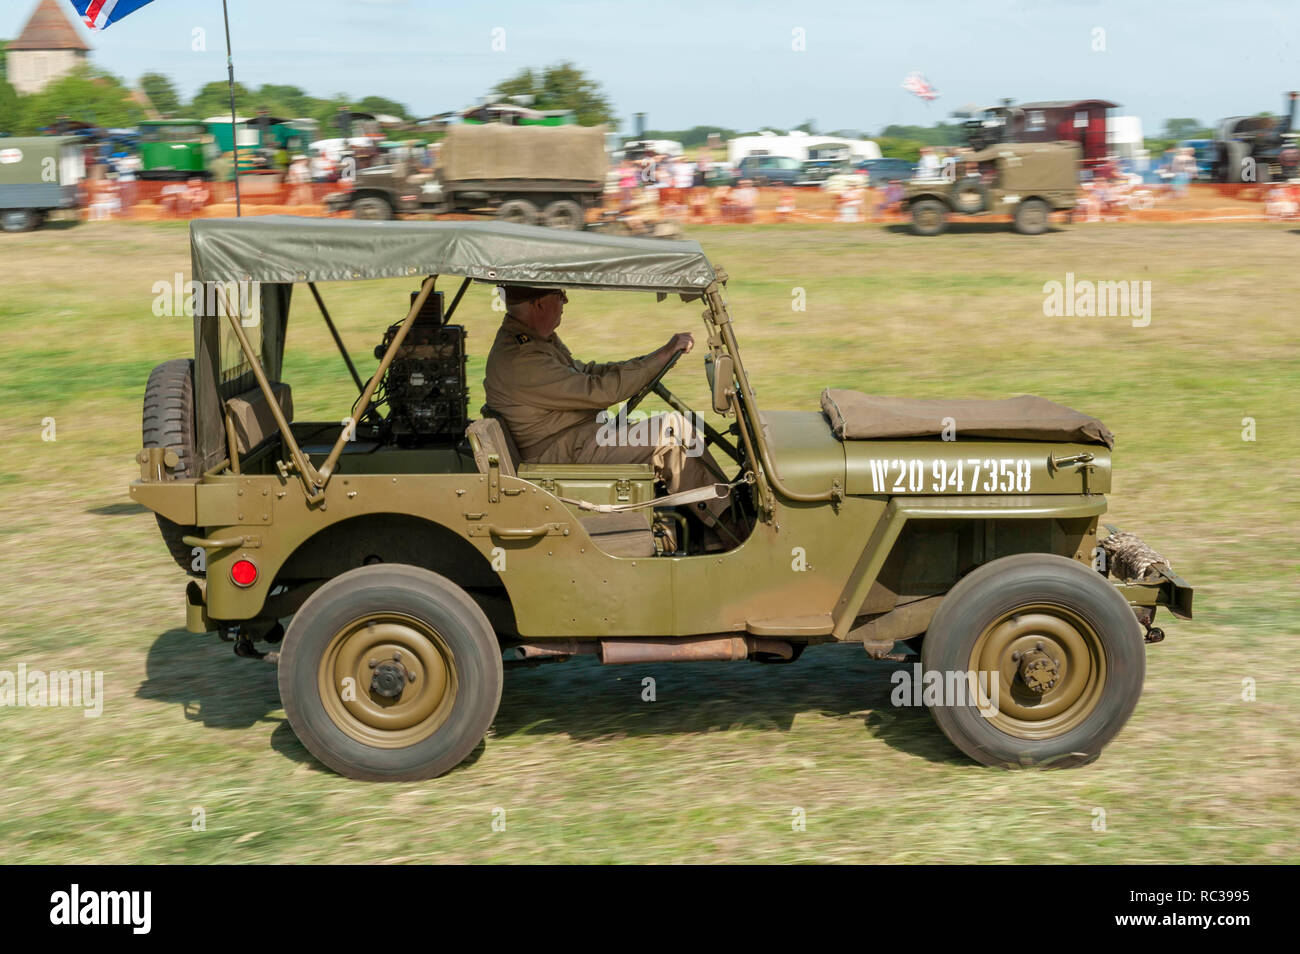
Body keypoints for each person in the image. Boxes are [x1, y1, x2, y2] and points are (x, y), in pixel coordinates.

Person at [483, 285, 731, 533]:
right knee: (672, 433)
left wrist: (656, 358)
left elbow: (590, 372)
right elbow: (600, 391)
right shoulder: (522, 358)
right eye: (560, 295)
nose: (566, 300)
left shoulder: (535, 340)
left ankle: (707, 525)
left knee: (671, 429)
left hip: (573, 440)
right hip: (559, 452)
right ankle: (730, 524)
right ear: (539, 304)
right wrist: (660, 358)